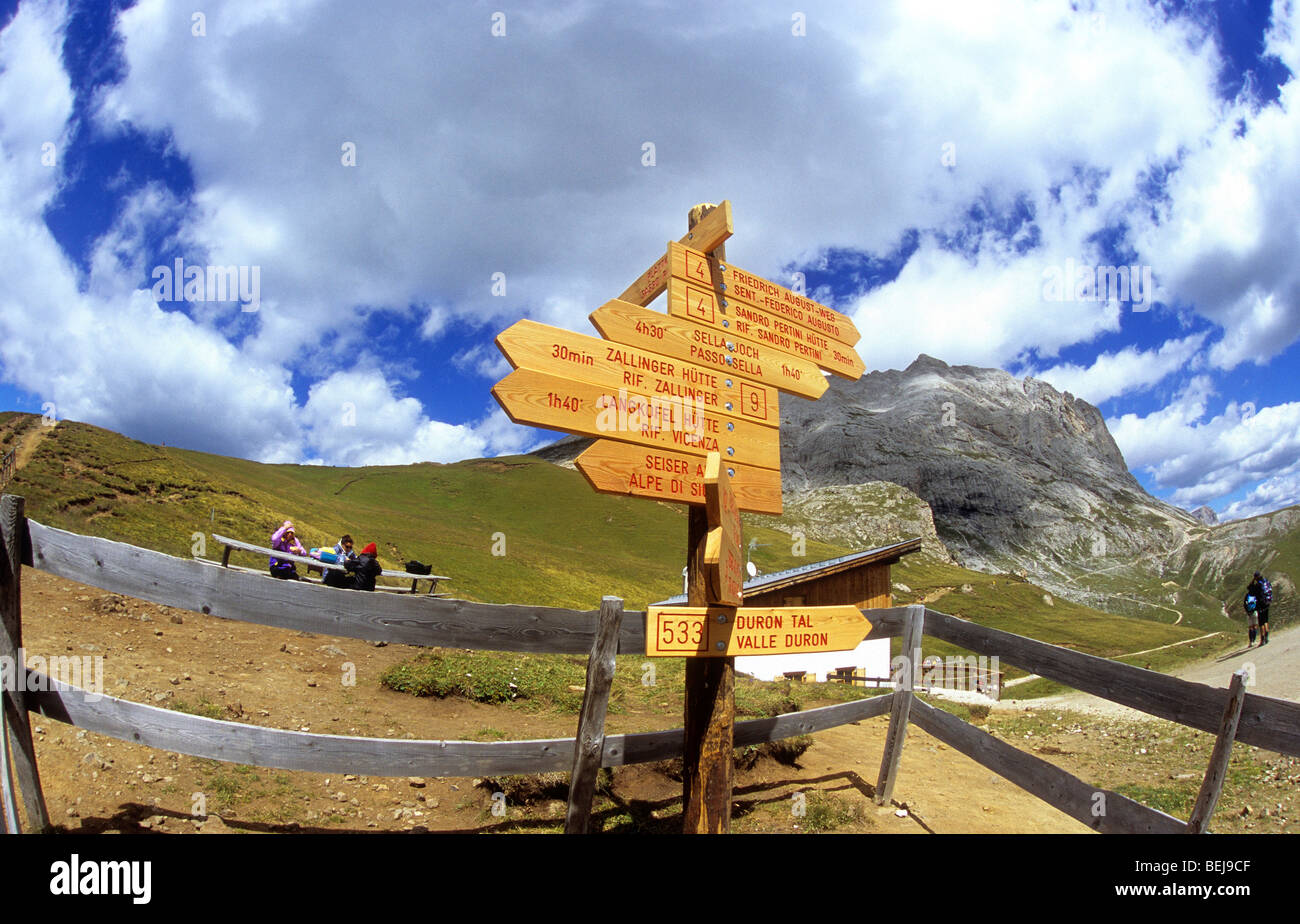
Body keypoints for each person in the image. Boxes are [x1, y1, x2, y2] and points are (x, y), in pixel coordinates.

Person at [1248, 571, 1272, 645]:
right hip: (1267, 603)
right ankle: (1267, 637)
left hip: (1260, 605)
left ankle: (1262, 639)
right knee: (1266, 620)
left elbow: (1249, 588)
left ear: (1255, 578)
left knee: (1261, 622)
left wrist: (1252, 581)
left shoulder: (1257, 586)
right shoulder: (1266, 582)